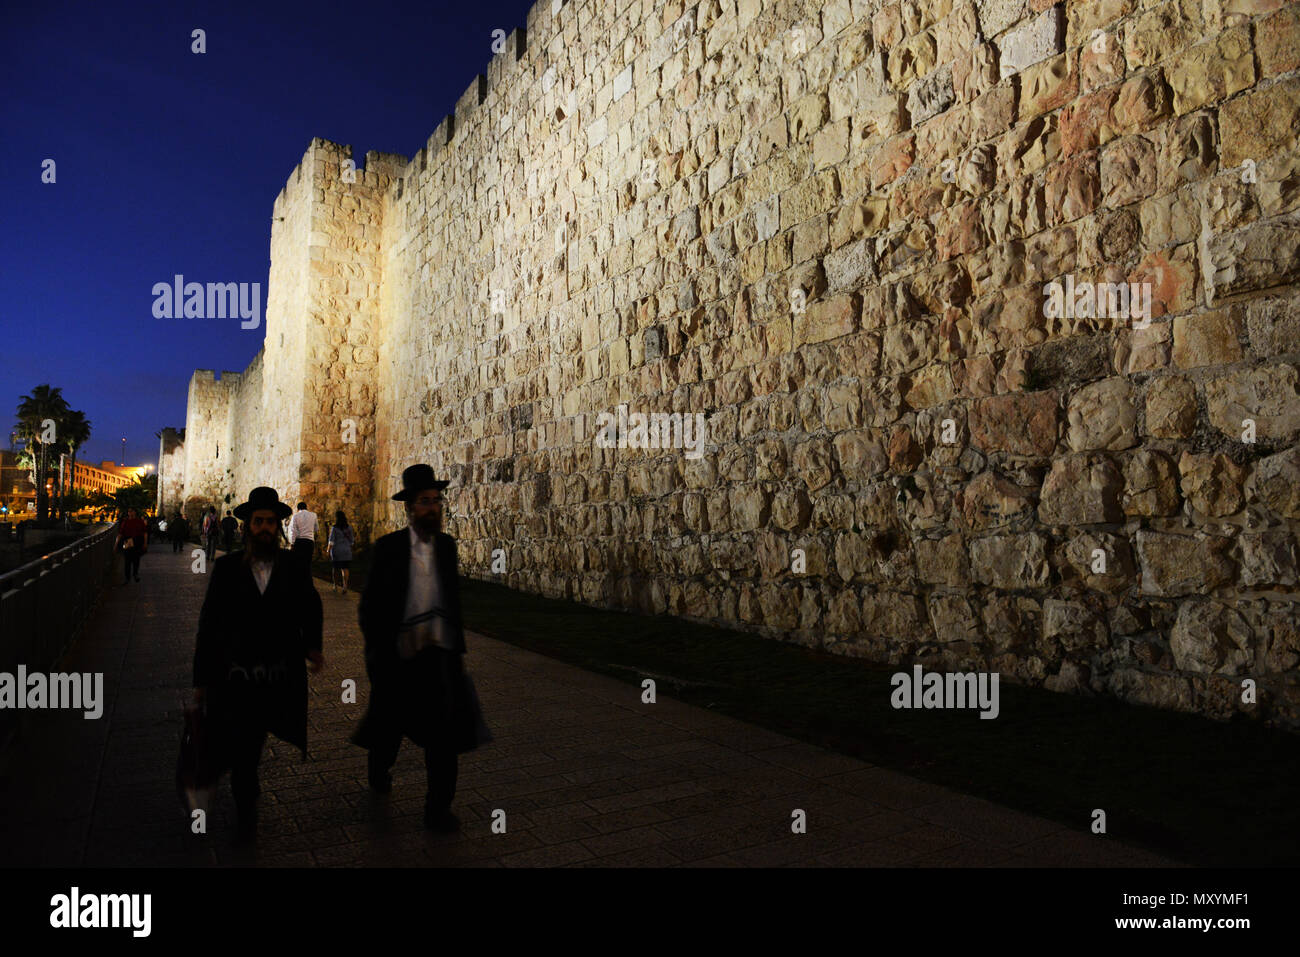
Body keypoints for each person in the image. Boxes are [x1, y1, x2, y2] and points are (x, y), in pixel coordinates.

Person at [192, 486, 324, 844]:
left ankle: (244, 794)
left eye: (270, 522)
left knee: (257, 738)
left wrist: (313, 646)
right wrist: (202, 680)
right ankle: (247, 809)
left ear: (279, 526)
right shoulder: (226, 569)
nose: (265, 527)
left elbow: (311, 606)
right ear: (248, 525)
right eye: (258, 521)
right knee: (245, 748)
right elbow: (210, 624)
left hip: (277, 677)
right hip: (236, 678)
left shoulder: (294, 566)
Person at [354, 465, 468, 832]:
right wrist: (378, 656)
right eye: (424, 502)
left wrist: (455, 650)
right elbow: (369, 607)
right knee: (388, 731)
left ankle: (438, 810)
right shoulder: (389, 549)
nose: (432, 508)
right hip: (398, 662)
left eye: (436, 501)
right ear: (410, 507)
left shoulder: (447, 547)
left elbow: (452, 600)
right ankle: (378, 767)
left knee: (444, 741)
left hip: (438, 662)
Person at [116, 507, 148, 584]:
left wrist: (145, 543)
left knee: (136, 559)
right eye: (129, 511)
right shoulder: (125, 522)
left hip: (137, 541)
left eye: (131, 511)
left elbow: (145, 533)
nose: (130, 513)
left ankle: (135, 574)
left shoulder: (139, 521)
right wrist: (116, 544)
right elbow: (120, 533)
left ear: (135, 512)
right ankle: (127, 578)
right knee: (127, 560)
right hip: (128, 541)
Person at [327, 510, 354, 593]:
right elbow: (352, 541)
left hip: (337, 551)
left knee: (335, 569)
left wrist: (328, 550)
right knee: (345, 568)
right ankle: (345, 586)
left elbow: (331, 541)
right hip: (346, 550)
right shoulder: (349, 527)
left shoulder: (334, 528)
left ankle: (335, 585)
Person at [287, 501, 317, 566]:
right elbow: (316, 528)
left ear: (298, 509)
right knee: (308, 562)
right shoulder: (314, 515)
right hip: (310, 541)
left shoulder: (295, 516)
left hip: (299, 542)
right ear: (306, 508)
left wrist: (292, 543)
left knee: (299, 562)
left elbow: (293, 530)